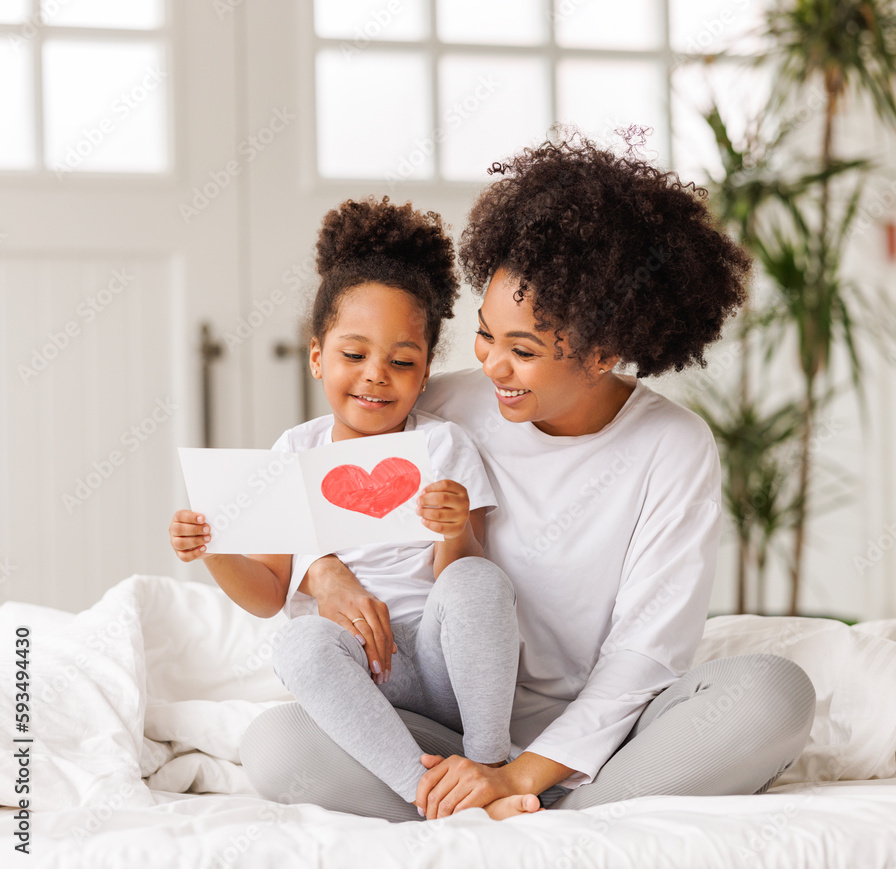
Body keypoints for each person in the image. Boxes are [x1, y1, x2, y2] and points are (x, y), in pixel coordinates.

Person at [240, 131, 817, 823]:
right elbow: (317, 469)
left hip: (600, 739)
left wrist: (520, 770)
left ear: (603, 352)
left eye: (523, 349)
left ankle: (537, 806)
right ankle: (500, 804)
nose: (491, 366)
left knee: (772, 693)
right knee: (279, 746)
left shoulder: (673, 446)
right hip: (448, 729)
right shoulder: (442, 404)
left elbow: (645, 654)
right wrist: (317, 568)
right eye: (485, 334)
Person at [169, 197, 519, 813]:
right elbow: (268, 594)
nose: (375, 376)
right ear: (316, 357)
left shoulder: (443, 444)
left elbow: (462, 581)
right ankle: (422, 789)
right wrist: (216, 551)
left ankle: (489, 762)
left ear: (426, 368)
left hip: (440, 665)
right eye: (353, 355)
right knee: (297, 643)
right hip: (363, 677)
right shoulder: (293, 453)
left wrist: (454, 528)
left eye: (402, 362)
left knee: (478, 580)